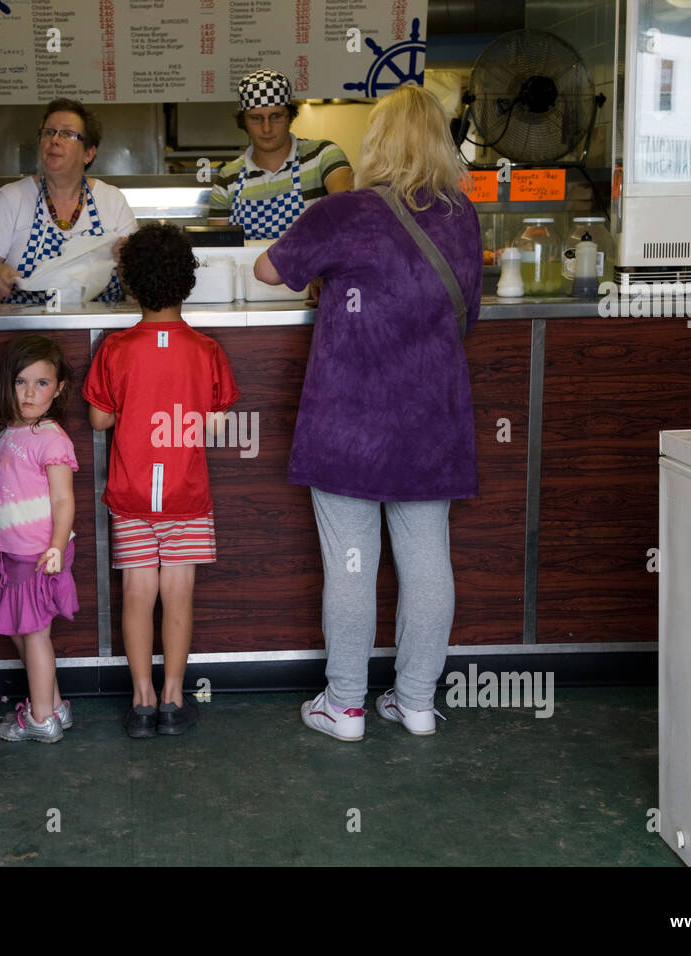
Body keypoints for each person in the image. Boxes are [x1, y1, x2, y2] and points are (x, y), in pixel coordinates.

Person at [254, 83, 482, 742]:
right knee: (427, 561)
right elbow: (468, 304)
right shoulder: (461, 216)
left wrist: (331, 272)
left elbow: (270, 270)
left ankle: (346, 705)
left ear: (377, 143)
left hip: (349, 422)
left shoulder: (344, 211)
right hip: (432, 419)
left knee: (351, 563)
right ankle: (414, 703)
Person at [83, 223, 240, 738]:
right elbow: (216, 426)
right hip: (187, 496)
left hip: (131, 495)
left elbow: (100, 420)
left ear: (129, 281)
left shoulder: (114, 348)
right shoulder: (206, 350)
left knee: (136, 594)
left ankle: (142, 702)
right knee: (179, 594)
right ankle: (174, 700)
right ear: (187, 279)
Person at [0, 335, 80, 743]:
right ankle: (53, 706)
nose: (29, 392)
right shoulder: (10, 432)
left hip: (39, 552)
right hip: (17, 552)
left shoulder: (52, 438)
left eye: (41, 383)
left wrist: (55, 546)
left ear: (59, 390)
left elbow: (63, 498)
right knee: (26, 631)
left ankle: (40, 718)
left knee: (34, 633)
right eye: (21, 381)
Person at [0, 98, 136, 305]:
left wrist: (127, 263)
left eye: (66, 134)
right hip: (26, 331)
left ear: (89, 153)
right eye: (49, 132)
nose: (54, 140)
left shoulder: (112, 200)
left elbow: (136, 286)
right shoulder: (12, 198)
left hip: (98, 329)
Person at [208, 69, 354, 240]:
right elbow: (216, 248)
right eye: (256, 118)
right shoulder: (228, 178)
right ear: (243, 121)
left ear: (290, 116)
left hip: (314, 266)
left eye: (276, 116)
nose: (267, 128)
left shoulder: (322, 155)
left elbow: (347, 216)